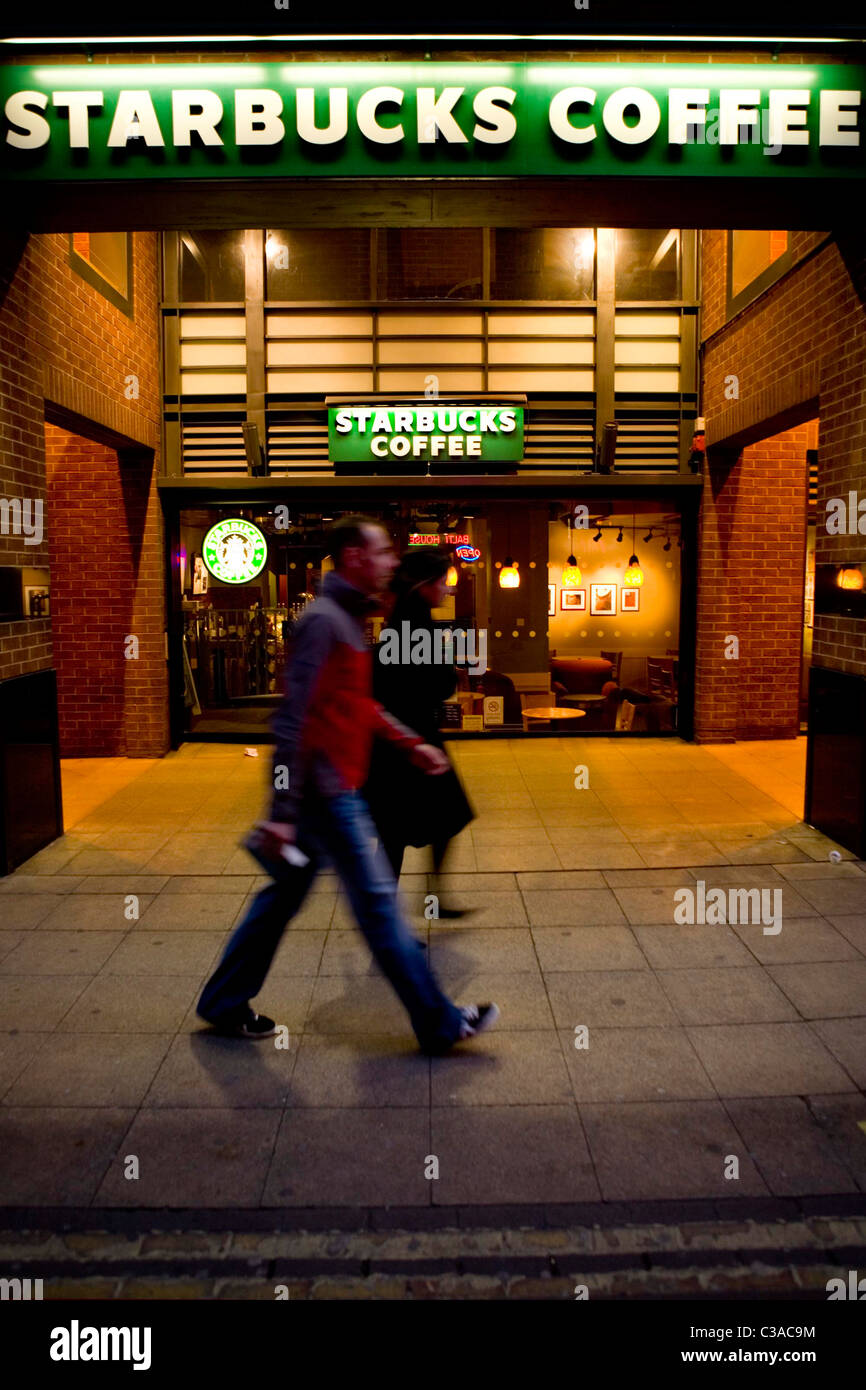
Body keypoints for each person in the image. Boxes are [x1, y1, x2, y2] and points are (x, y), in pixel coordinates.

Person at [197, 516, 499, 1053]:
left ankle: (223, 1001)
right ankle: (439, 1022)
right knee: (381, 907)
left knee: (280, 901)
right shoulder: (323, 621)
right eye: (383, 552)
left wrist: (412, 745)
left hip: (330, 791)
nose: (391, 563)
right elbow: (294, 720)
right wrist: (282, 814)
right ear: (356, 556)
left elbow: (355, 704)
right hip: (328, 795)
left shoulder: (348, 616)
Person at [364, 548, 474, 917]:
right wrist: (450, 672)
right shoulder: (418, 626)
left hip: (396, 740)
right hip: (413, 740)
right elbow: (439, 684)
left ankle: (399, 909)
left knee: (401, 831)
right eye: (443, 581)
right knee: (433, 821)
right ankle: (399, 911)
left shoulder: (399, 620)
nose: (447, 589)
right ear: (426, 585)